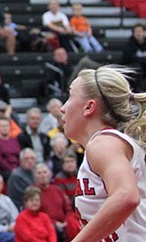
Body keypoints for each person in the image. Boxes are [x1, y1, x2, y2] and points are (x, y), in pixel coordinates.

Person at [60, 65, 146, 240]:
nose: (63, 107)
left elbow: (127, 196)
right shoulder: (106, 143)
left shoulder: (103, 143)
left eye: (70, 96)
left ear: (89, 107)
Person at [32, 163, 79, 241]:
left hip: (65, 223)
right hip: (47, 225)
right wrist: (54, 222)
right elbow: (35, 213)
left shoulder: (57, 190)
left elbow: (68, 209)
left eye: (44, 172)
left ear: (49, 175)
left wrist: (66, 221)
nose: (42, 175)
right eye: (39, 173)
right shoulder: (33, 192)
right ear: (35, 177)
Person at [121, 24, 146, 91]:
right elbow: (130, 58)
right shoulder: (129, 45)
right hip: (132, 69)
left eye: (140, 31)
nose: (139, 33)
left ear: (144, 32)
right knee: (137, 68)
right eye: (136, 31)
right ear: (133, 33)